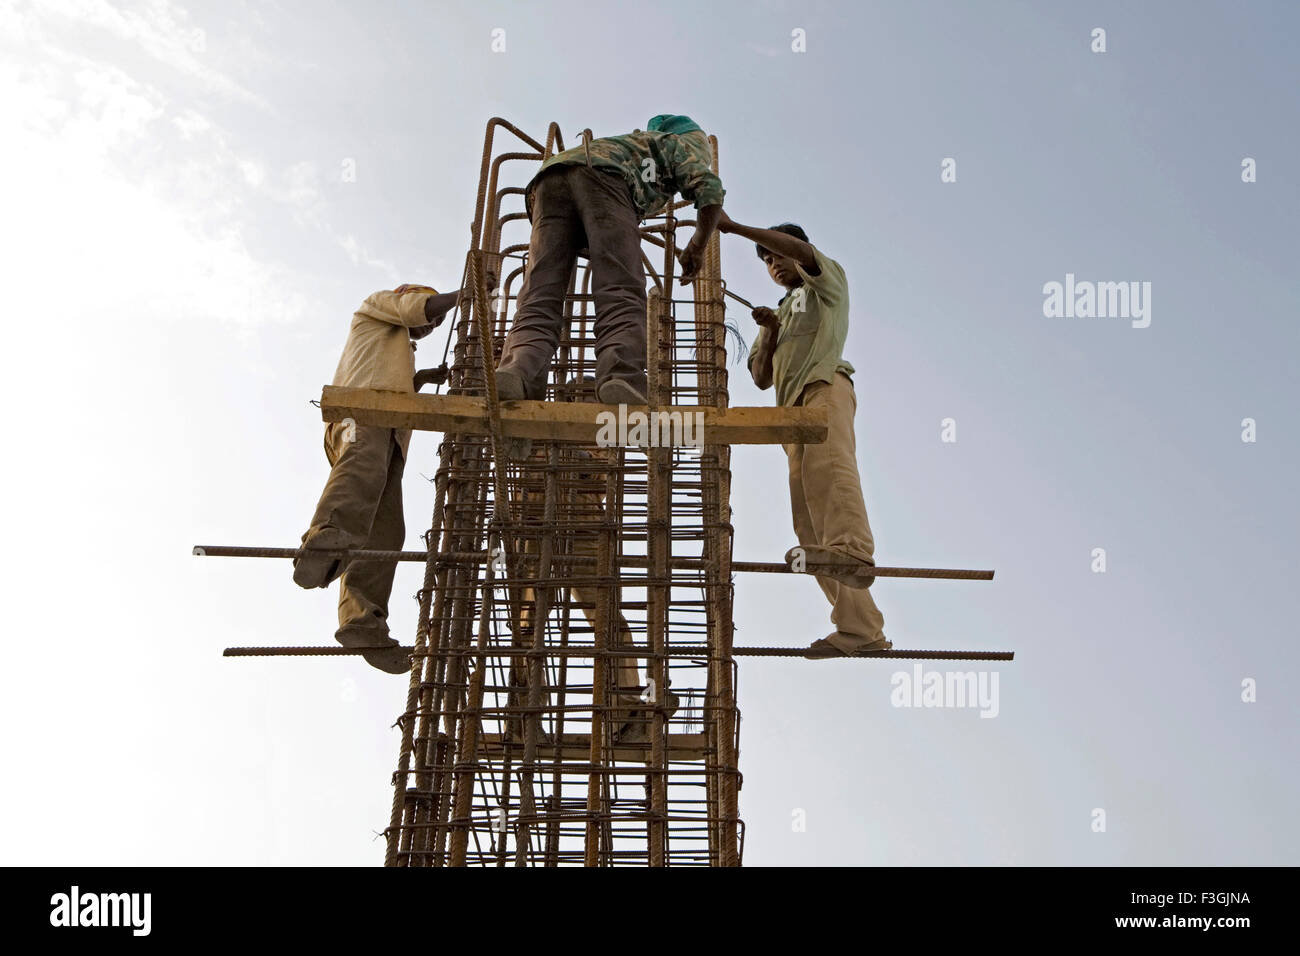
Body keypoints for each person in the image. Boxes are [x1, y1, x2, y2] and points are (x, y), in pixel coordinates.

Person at [722, 212, 892, 658]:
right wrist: (770, 330)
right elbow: (760, 376)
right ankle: (860, 629)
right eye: (766, 261)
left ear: (797, 252)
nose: (775, 264)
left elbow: (802, 255)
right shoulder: (778, 312)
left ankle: (854, 548)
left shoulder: (826, 280)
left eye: (779, 254)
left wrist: (735, 228)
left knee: (831, 473)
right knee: (809, 522)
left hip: (824, 387)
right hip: (789, 413)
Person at [293, 280, 477, 673]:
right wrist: (465, 294)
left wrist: (422, 379)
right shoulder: (377, 306)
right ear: (405, 294)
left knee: (386, 532)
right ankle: (324, 538)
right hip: (362, 415)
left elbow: (393, 380)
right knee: (361, 467)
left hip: (389, 431)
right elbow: (417, 310)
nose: (431, 326)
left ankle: (362, 621)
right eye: (433, 317)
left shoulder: (397, 348)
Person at [494, 113, 726, 422]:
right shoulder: (677, 144)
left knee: (539, 294)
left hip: (548, 181)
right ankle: (621, 375)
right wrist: (697, 245)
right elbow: (709, 188)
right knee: (620, 289)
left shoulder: (628, 143)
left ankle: (517, 371)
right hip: (605, 180)